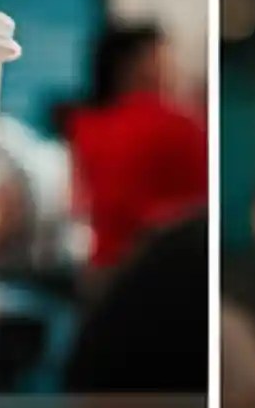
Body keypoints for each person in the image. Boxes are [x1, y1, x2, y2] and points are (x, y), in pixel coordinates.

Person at [66, 23, 207, 273]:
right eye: (166, 58)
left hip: (104, 273)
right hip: (165, 275)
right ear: (142, 66)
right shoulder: (177, 125)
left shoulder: (84, 126)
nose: (175, 69)